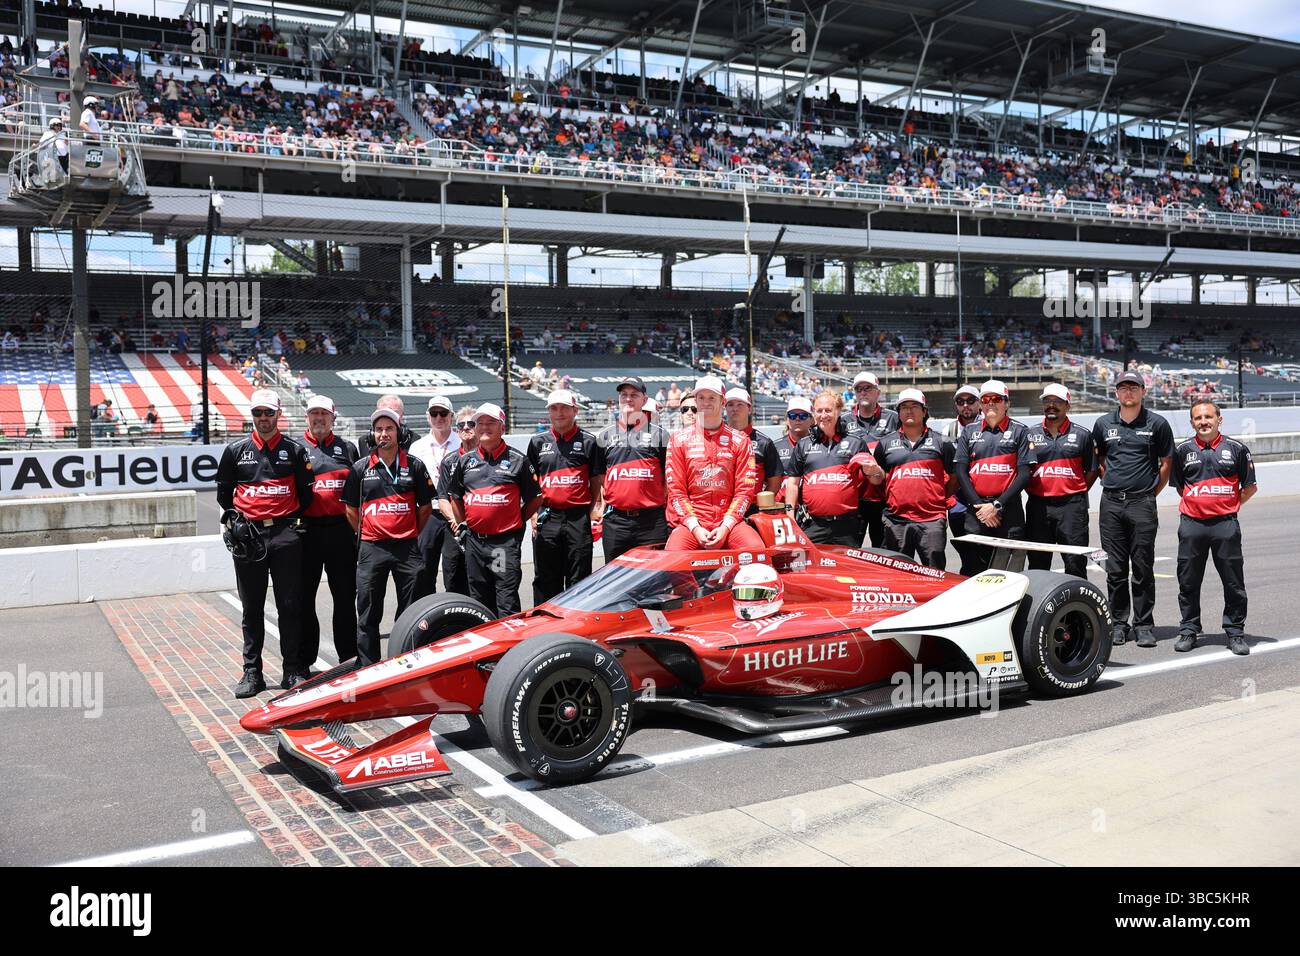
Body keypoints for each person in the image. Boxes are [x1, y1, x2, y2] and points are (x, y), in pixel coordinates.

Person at [215, 389, 314, 697]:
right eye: (258, 412)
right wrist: (236, 524)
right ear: (252, 415)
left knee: (290, 605)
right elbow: (224, 494)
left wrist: (292, 527)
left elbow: (306, 495)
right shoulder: (235, 450)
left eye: (268, 413)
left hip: (286, 536)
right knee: (251, 607)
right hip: (250, 540)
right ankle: (252, 672)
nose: (263, 418)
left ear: (278, 414)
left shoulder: (294, 450)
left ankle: (293, 670)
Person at [342, 407, 435, 664]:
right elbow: (350, 509)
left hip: (407, 548)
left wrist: (409, 531)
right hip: (372, 548)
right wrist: (367, 533)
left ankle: (405, 660)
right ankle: (368, 666)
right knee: (368, 611)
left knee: (411, 610)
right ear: (373, 434)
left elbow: (425, 507)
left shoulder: (415, 465)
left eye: (389, 429)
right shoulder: (361, 468)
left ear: (399, 432)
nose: (384, 434)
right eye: (379, 429)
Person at [1092, 370, 1175, 648]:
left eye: (1134, 387)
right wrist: (1111, 480)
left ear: (1143, 390)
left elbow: (1166, 463)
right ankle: (1118, 623)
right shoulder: (1103, 424)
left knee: (1142, 567)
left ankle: (1144, 625)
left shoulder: (1158, 423)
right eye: (1123, 387)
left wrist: (1151, 493)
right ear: (1116, 392)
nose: (1128, 392)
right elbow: (1100, 458)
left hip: (1142, 503)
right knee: (1115, 569)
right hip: (1112, 503)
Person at [1171, 401, 1256, 655]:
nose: (1203, 421)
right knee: (1188, 581)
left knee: (1233, 582)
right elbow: (1180, 486)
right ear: (1191, 423)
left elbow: (1250, 487)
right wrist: (1199, 505)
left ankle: (1235, 632)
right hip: (1191, 525)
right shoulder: (1183, 450)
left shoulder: (1237, 449)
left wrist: (1228, 506)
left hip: (1225, 526)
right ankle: (1188, 630)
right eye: (1198, 418)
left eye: (1208, 416)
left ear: (1220, 419)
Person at [443, 403, 541, 616]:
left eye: (491, 423)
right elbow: (455, 498)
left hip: (502, 544)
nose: (484, 428)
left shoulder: (518, 460)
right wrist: (464, 525)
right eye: (480, 423)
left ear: (502, 427)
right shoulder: (465, 461)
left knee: (505, 600)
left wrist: (516, 521)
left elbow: (535, 498)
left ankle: (510, 648)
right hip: (474, 543)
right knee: (479, 601)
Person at [665, 376, 763, 550]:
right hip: (693, 521)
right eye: (701, 398)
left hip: (730, 522)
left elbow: (744, 491)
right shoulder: (678, 440)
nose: (706, 402)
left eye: (712, 397)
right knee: (672, 556)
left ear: (723, 401)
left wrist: (726, 526)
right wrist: (695, 527)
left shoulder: (741, 440)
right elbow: (676, 491)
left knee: (756, 549)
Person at [862, 388, 956, 567]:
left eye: (914, 406)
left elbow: (955, 476)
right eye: (904, 407)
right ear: (898, 413)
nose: (909, 410)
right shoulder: (886, 443)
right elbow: (879, 478)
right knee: (898, 575)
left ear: (924, 411)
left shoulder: (942, 442)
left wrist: (939, 497)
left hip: (931, 520)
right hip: (896, 520)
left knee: (935, 573)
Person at [527, 389, 605, 603]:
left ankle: (576, 627)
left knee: (579, 577)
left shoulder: (590, 441)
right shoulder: (536, 442)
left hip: (577, 518)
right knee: (545, 578)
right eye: (554, 408)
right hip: (547, 518)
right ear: (549, 412)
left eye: (564, 408)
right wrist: (534, 515)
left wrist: (592, 512)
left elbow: (597, 480)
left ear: (575, 410)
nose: (559, 413)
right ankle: (543, 627)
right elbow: (530, 483)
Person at [298, 395, 360, 664]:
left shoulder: (348, 448)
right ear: (306, 418)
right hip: (306, 533)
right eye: (314, 414)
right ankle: (304, 659)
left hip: (341, 531)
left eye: (324, 414)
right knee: (304, 598)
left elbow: (359, 492)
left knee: (345, 597)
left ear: (333, 418)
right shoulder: (295, 448)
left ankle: (348, 657)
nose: (318, 418)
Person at [953, 379, 1032, 575]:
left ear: (1007, 403)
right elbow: (961, 472)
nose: (990, 403)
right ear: (980, 404)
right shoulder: (969, 431)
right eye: (986, 398)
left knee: (1009, 573)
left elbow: (1024, 474)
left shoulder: (1020, 431)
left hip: (1009, 510)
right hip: (977, 511)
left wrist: (996, 505)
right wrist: (980, 506)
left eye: (997, 398)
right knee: (974, 571)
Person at [1025, 384, 1097, 578]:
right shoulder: (1029, 434)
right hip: (1037, 506)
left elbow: (1092, 471)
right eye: (1047, 401)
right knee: (1038, 566)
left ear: (1067, 405)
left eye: (1057, 401)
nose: (1051, 405)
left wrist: (1074, 489)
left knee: (1075, 565)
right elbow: (1023, 471)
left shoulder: (1083, 434)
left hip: (1072, 508)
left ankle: (1076, 608)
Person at [597, 376, 670, 562]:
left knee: (653, 582)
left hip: (651, 522)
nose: (628, 399)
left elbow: (669, 479)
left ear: (644, 400)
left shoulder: (660, 435)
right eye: (624, 395)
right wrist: (598, 507)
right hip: (615, 522)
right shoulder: (605, 435)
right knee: (613, 580)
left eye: (634, 395)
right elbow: (600, 477)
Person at [785, 390, 870, 545]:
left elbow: (872, 481)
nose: (823, 415)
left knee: (847, 567)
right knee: (811, 568)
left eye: (828, 410)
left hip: (847, 525)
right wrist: (790, 515)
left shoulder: (856, 443)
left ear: (838, 411)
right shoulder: (803, 445)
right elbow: (792, 483)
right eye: (819, 411)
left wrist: (876, 471)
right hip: (812, 524)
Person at [840, 372, 900, 547]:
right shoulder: (844, 421)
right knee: (851, 551)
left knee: (884, 553)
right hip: (855, 499)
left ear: (877, 392)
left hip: (885, 499)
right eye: (859, 389)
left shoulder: (893, 418)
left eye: (868, 388)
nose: (863, 392)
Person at [408, 395, 460, 599]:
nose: (439, 418)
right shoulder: (417, 447)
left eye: (444, 413)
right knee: (423, 569)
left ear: (452, 416)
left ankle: (457, 614)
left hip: (454, 515)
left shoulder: (460, 443)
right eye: (434, 413)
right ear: (427, 417)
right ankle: (427, 618)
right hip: (427, 513)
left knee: (454, 570)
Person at [435, 406, 479, 595]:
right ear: (457, 429)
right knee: (453, 581)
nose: (466, 428)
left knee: (480, 582)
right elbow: (443, 497)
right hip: (454, 531)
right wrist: (457, 522)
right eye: (461, 425)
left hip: (482, 532)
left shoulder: (488, 458)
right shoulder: (449, 461)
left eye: (471, 423)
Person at [725, 387, 784, 510]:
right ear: (725, 408)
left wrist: (758, 504)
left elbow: (775, 482)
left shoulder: (764, 442)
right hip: (722, 509)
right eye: (730, 404)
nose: (734, 409)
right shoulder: (715, 440)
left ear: (750, 409)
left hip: (751, 510)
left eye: (740, 404)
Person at [943, 385, 981, 572]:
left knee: (986, 548)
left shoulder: (988, 424)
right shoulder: (949, 430)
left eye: (970, 401)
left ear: (979, 403)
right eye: (960, 402)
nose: (966, 405)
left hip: (984, 495)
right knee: (964, 547)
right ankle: (968, 574)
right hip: (958, 497)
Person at [776, 396, 814, 490]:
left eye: (803, 415)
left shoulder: (822, 445)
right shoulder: (774, 447)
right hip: (784, 503)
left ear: (812, 420)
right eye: (792, 415)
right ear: (787, 420)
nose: (797, 419)